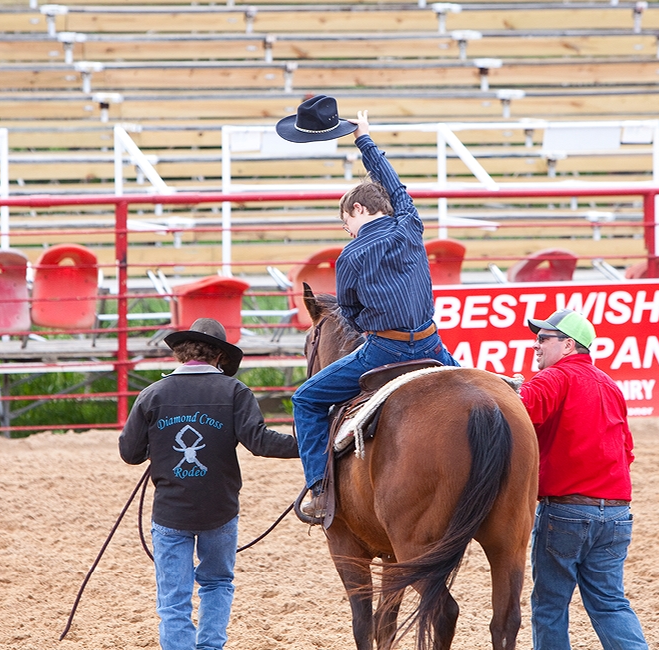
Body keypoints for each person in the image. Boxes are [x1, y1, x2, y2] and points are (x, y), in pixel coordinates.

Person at [279, 100, 459, 520]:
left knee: (305, 399)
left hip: (384, 350)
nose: (347, 229)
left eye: (345, 220)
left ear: (358, 209)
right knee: (491, 390)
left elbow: (350, 311)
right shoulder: (410, 223)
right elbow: (395, 184)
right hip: (431, 345)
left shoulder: (351, 255)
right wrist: (365, 140)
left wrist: (368, 323)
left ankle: (318, 487)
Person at [119, 318, 299, 650]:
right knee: (217, 583)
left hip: (171, 511)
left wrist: (156, 447)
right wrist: (310, 445)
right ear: (219, 356)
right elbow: (260, 442)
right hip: (220, 509)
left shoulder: (152, 394)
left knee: (174, 599)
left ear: (181, 353)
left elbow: (130, 453)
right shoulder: (235, 392)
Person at [519, 308, 649, 650]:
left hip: (566, 512)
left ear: (568, 345)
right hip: (617, 513)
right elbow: (627, 450)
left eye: (543, 338)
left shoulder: (553, 378)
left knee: (550, 606)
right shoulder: (610, 385)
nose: (536, 344)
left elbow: (514, 411)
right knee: (610, 603)